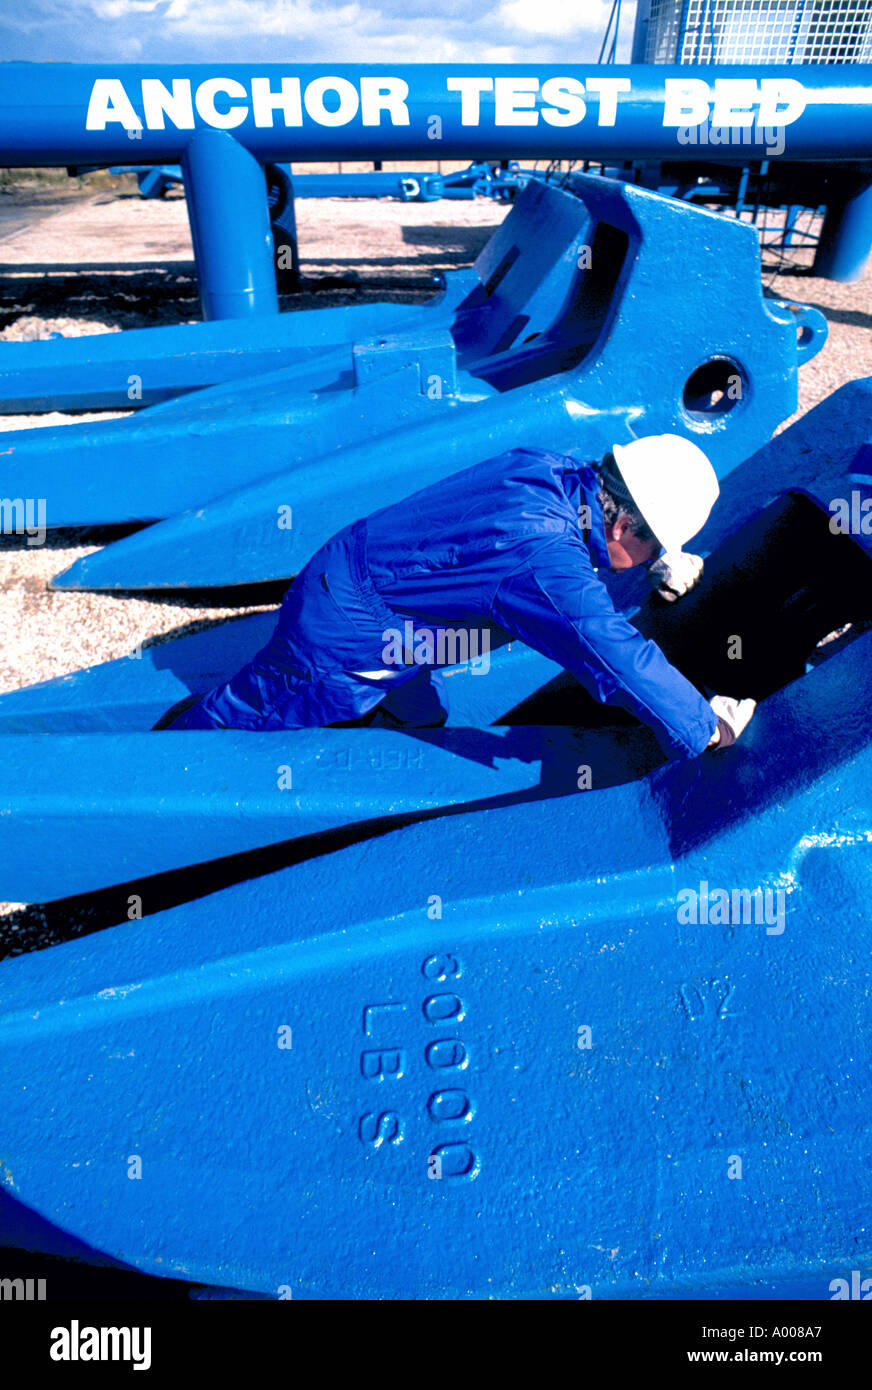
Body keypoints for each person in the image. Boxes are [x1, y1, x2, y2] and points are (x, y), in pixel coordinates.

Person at [161, 435, 755, 758]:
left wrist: (653, 564)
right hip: (347, 638)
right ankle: (155, 770)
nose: (651, 559)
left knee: (420, 717)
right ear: (627, 527)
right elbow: (611, 651)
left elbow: (577, 553)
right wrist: (700, 724)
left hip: (369, 579)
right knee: (250, 718)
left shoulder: (547, 469)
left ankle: (388, 733)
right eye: (653, 548)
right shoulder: (545, 561)